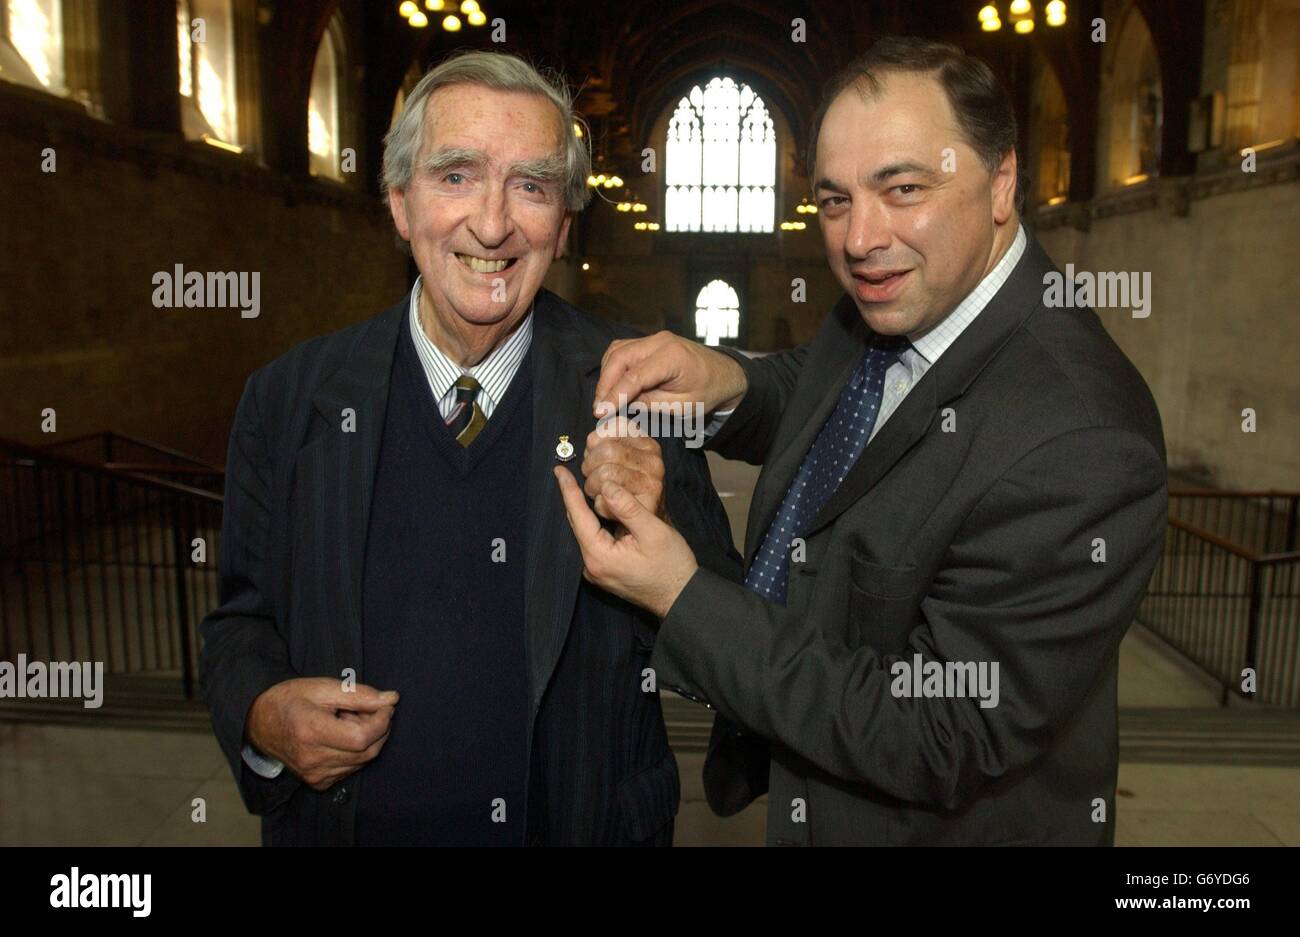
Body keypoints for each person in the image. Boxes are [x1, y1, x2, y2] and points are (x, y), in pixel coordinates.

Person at [556, 37, 1167, 845]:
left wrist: (682, 595)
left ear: (1002, 183)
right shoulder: (906, 294)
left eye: (903, 188)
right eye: (835, 200)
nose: (858, 238)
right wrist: (728, 381)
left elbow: (941, 730)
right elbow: (830, 400)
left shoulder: (1080, 440)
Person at [200, 51, 739, 846]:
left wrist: (660, 535)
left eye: (531, 185)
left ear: (562, 224)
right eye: (456, 175)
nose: (492, 224)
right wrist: (260, 714)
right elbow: (239, 626)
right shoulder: (288, 402)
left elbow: (725, 660)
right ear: (398, 202)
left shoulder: (638, 395)